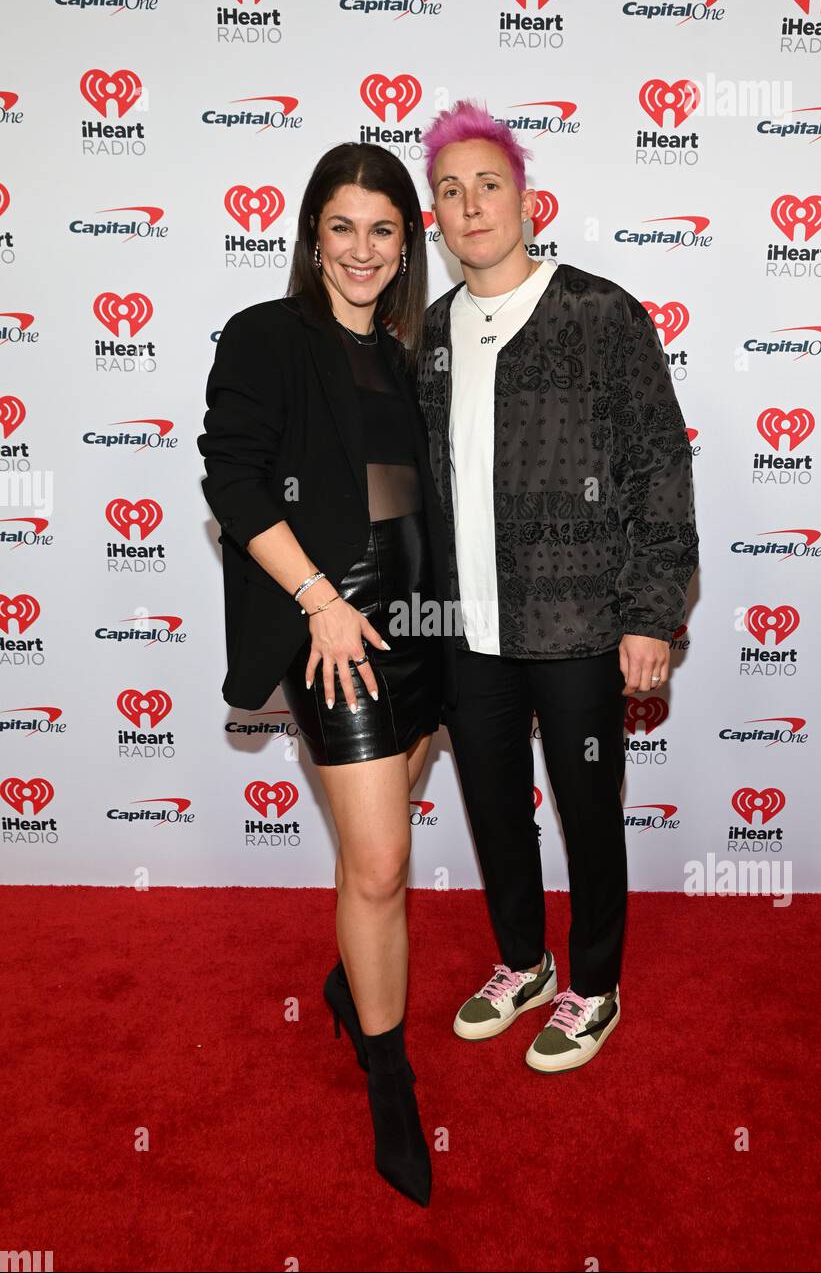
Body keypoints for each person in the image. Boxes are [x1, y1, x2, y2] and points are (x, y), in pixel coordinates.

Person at [417, 100, 700, 1074]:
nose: (469, 205)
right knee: (494, 806)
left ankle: (595, 984)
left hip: (583, 620)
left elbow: (657, 466)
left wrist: (651, 613)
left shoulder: (599, 314)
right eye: (448, 191)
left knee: (586, 809)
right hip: (469, 624)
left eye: (486, 183)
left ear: (528, 200)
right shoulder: (429, 336)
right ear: (435, 219)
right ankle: (522, 963)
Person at [197, 143, 455, 1206]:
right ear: (313, 235)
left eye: (383, 229)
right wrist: (319, 600)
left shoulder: (412, 356)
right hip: (329, 617)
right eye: (342, 227)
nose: (361, 249)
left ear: (407, 246)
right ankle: (389, 1074)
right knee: (385, 861)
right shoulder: (268, 336)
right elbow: (233, 473)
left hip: (425, 616)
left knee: (374, 836)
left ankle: (354, 985)